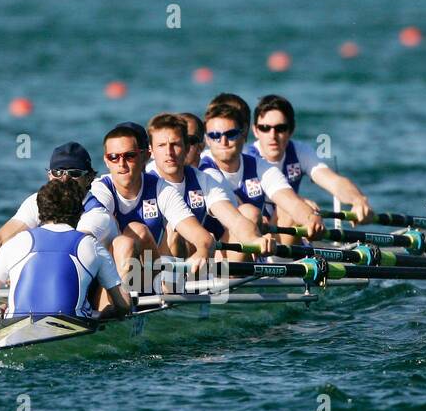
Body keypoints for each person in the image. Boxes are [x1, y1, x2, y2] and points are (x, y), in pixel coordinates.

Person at [78, 123, 212, 293]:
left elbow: (202, 236)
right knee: (123, 241)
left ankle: (140, 299)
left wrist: (202, 251)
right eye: (114, 157)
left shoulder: (161, 189)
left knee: (141, 231)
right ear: (106, 160)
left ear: (143, 157)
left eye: (130, 156)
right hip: (107, 276)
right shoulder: (100, 190)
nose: (122, 164)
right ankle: (113, 304)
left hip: (150, 274)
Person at [0, 178, 130, 323]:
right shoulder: (92, 245)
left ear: (40, 212)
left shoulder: (14, 243)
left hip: (17, 328)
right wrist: (106, 315)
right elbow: (124, 304)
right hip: (74, 329)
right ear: (79, 213)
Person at [0, 142, 97, 291]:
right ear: (49, 175)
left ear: (89, 178)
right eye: (58, 172)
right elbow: (0, 240)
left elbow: (69, 251)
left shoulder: (96, 213)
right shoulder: (38, 201)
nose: (64, 179)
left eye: (74, 173)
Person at [143, 112, 277, 260]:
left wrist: (254, 239)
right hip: (150, 268)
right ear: (151, 152)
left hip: (195, 260)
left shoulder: (204, 179)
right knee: (174, 232)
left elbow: (234, 220)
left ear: (187, 148)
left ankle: (226, 276)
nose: (169, 152)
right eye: (161, 145)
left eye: (175, 144)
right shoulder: (145, 181)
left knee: (247, 214)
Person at [200, 99, 327, 248]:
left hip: (252, 252)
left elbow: (290, 201)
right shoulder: (203, 169)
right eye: (215, 135)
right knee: (249, 214)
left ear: (244, 133)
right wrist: (253, 238)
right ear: (207, 139)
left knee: (289, 207)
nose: (223, 141)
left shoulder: (260, 166)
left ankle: (280, 265)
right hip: (215, 262)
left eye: (231, 134)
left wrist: (311, 218)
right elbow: (230, 215)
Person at [244, 94, 373, 226]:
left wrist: (357, 199)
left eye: (280, 128)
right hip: (254, 233)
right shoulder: (246, 158)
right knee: (292, 208)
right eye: (265, 128)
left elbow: (333, 181)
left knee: (296, 210)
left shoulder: (300, 151)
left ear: (291, 130)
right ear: (255, 130)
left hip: (284, 231)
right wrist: (299, 203)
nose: (272, 135)